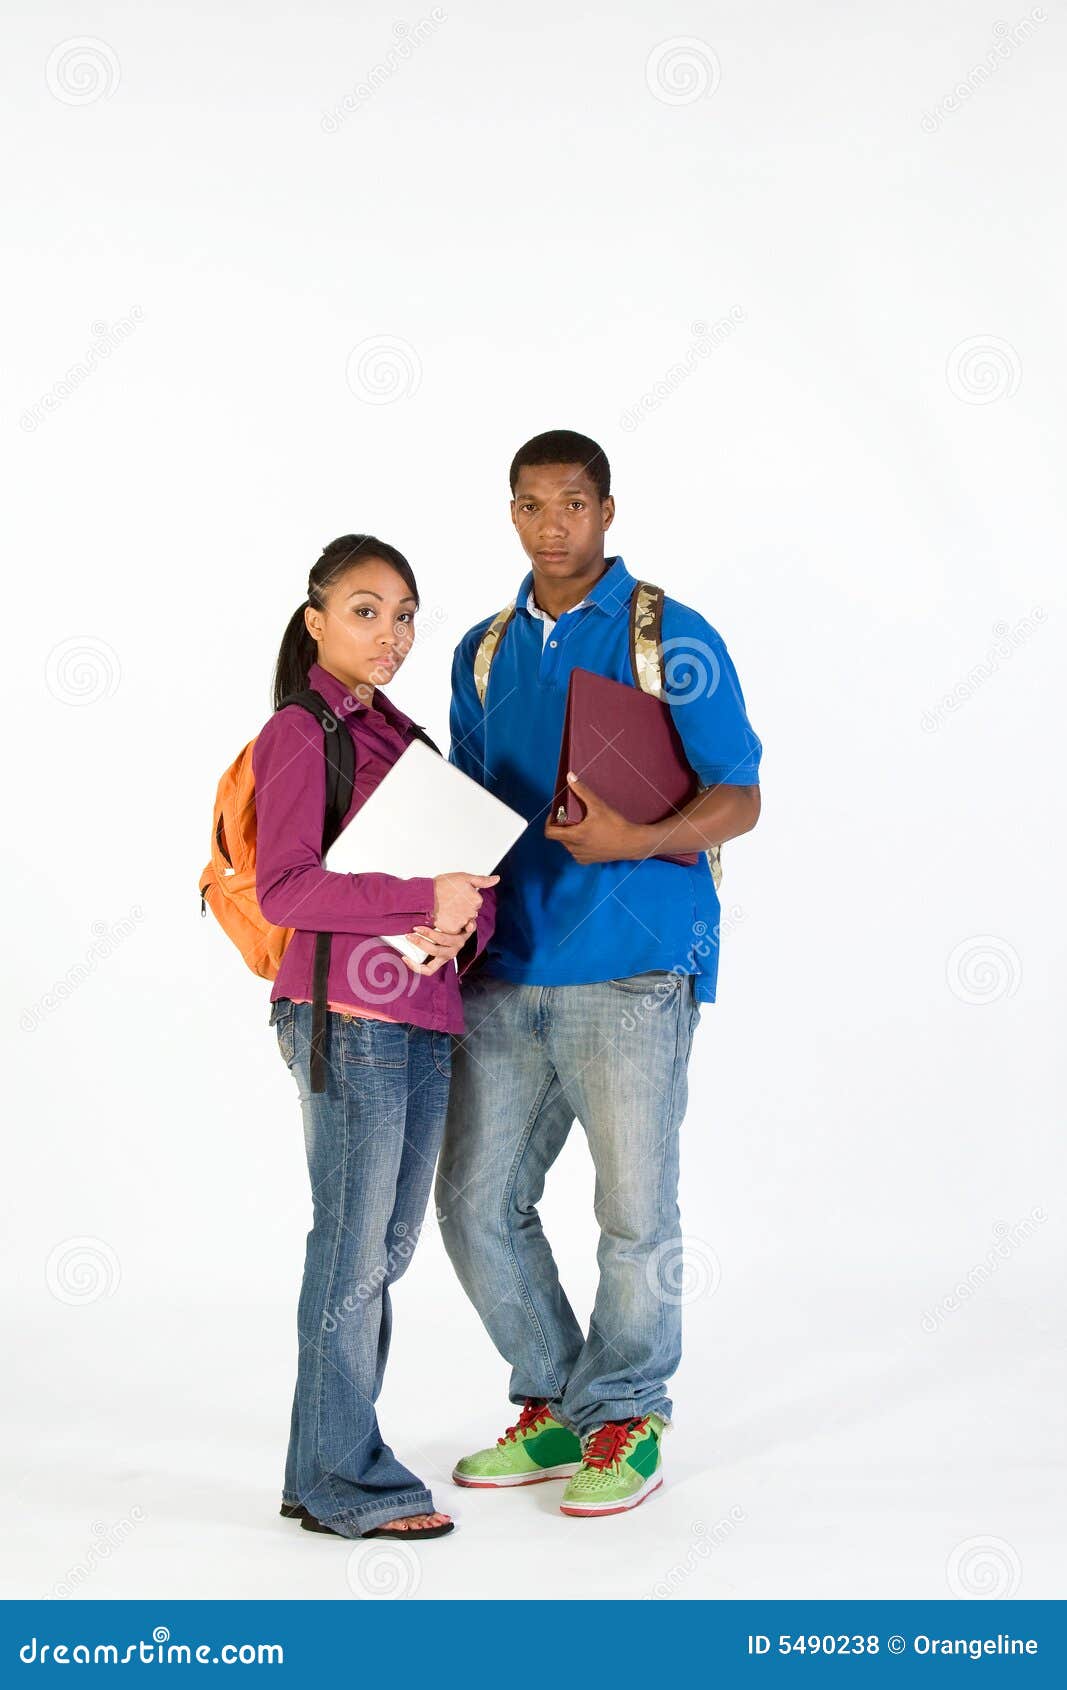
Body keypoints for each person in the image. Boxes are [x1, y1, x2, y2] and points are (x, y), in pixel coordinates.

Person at [436, 432, 762, 1517]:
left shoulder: (670, 634)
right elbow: (471, 812)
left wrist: (633, 838)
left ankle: (626, 1414)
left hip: (629, 971)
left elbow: (741, 794)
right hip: (503, 967)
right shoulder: (480, 651)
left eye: (571, 503)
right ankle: (558, 1406)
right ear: (512, 515)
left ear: (607, 510)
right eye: (530, 506)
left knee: (632, 1214)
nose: (551, 526)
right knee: (474, 1201)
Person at [253, 534, 498, 1540]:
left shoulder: (413, 744)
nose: (388, 631)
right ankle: (341, 1478)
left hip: (422, 1017)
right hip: (344, 1021)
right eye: (364, 609)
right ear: (315, 620)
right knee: (353, 1249)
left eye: (402, 613)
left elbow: (465, 892)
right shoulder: (302, 732)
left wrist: (458, 927)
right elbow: (287, 887)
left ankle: (321, 1467)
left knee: (382, 1249)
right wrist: (418, 894)